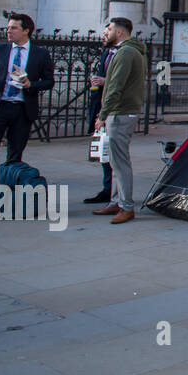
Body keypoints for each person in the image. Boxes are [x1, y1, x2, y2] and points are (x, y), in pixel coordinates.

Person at [0, 14, 54, 190]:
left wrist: (31, 84)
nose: (8, 31)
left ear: (26, 30)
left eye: (13, 28)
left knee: (14, 156)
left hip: (22, 110)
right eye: (8, 28)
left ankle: (7, 193)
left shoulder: (40, 54)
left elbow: (49, 81)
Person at [92, 17, 146, 224]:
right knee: (115, 160)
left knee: (120, 161)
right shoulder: (131, 51)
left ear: (120, 32)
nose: (107, 32)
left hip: (121, 112)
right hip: (121, 110)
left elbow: (116, 86)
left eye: (110, 29)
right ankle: (116, 201)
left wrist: (103, 114)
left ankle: (126, 206)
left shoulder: (126, 52)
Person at [83, 27, 117, 204]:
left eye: (107, 32)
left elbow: (123, 81)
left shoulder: (125, 54)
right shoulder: (106, 53)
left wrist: (105, 81)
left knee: (114, 152)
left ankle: (114, 191)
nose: (104, 36)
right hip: (99, 102)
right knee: (103, 148)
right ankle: (107, 188)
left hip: (113, 107)